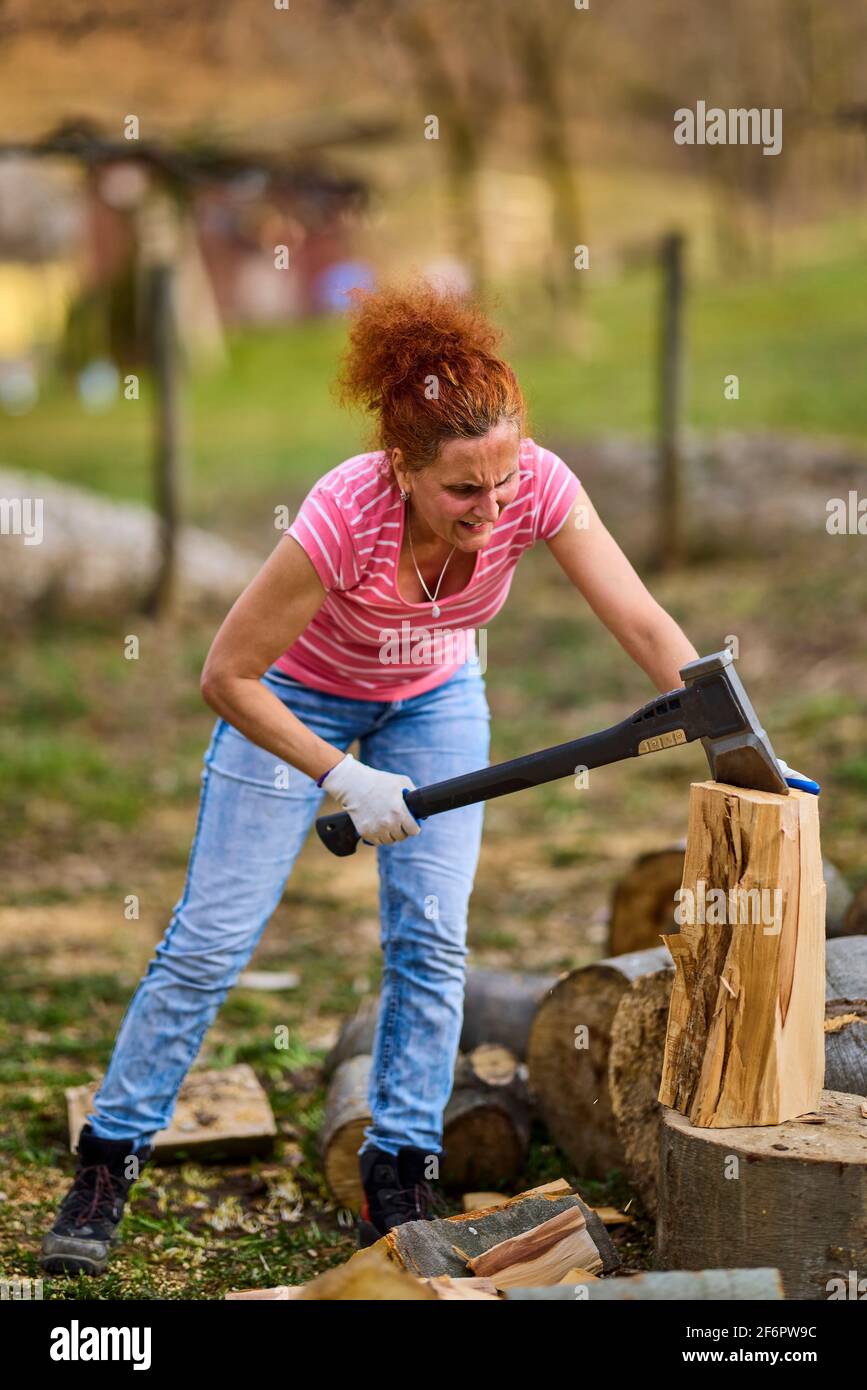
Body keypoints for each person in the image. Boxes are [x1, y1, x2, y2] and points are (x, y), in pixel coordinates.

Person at [42, 279, 708, 1275]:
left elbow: (647, 623)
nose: (492, 508)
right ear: (401, 467)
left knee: (433, 936)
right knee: (211, 940)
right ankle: (109, 1158)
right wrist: (343, 778)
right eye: (463, 491)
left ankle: (398, 1166)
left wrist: (733, 726)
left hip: (435, 699)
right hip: (296, 706)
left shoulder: (537, 486)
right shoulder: (343, 516)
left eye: (504, 481)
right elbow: (224, 675)